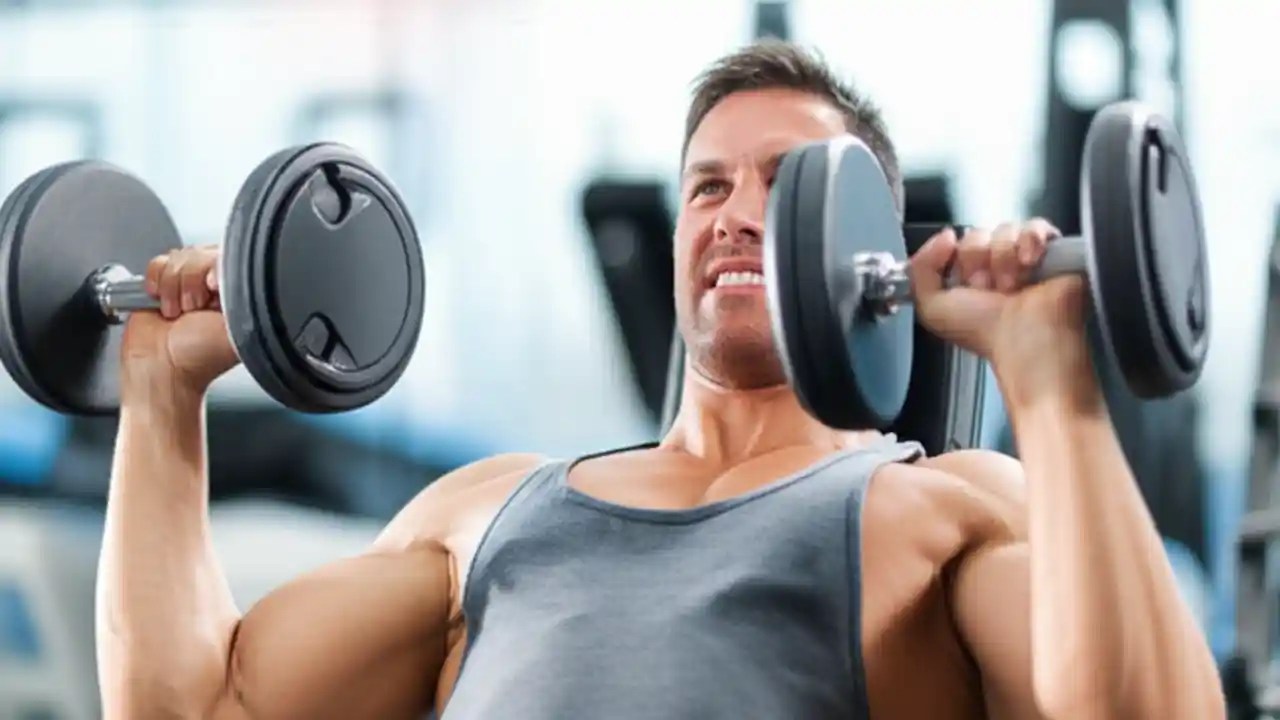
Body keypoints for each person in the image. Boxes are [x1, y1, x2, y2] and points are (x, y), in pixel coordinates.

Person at [96, 40, 1224, 719]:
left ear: (870, 234)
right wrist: (160, 395)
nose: (735, 214)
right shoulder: (483, 510)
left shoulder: (942, 505)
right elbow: (196, 704)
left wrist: (1048, 381)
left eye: (788, 186)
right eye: (705, 186)